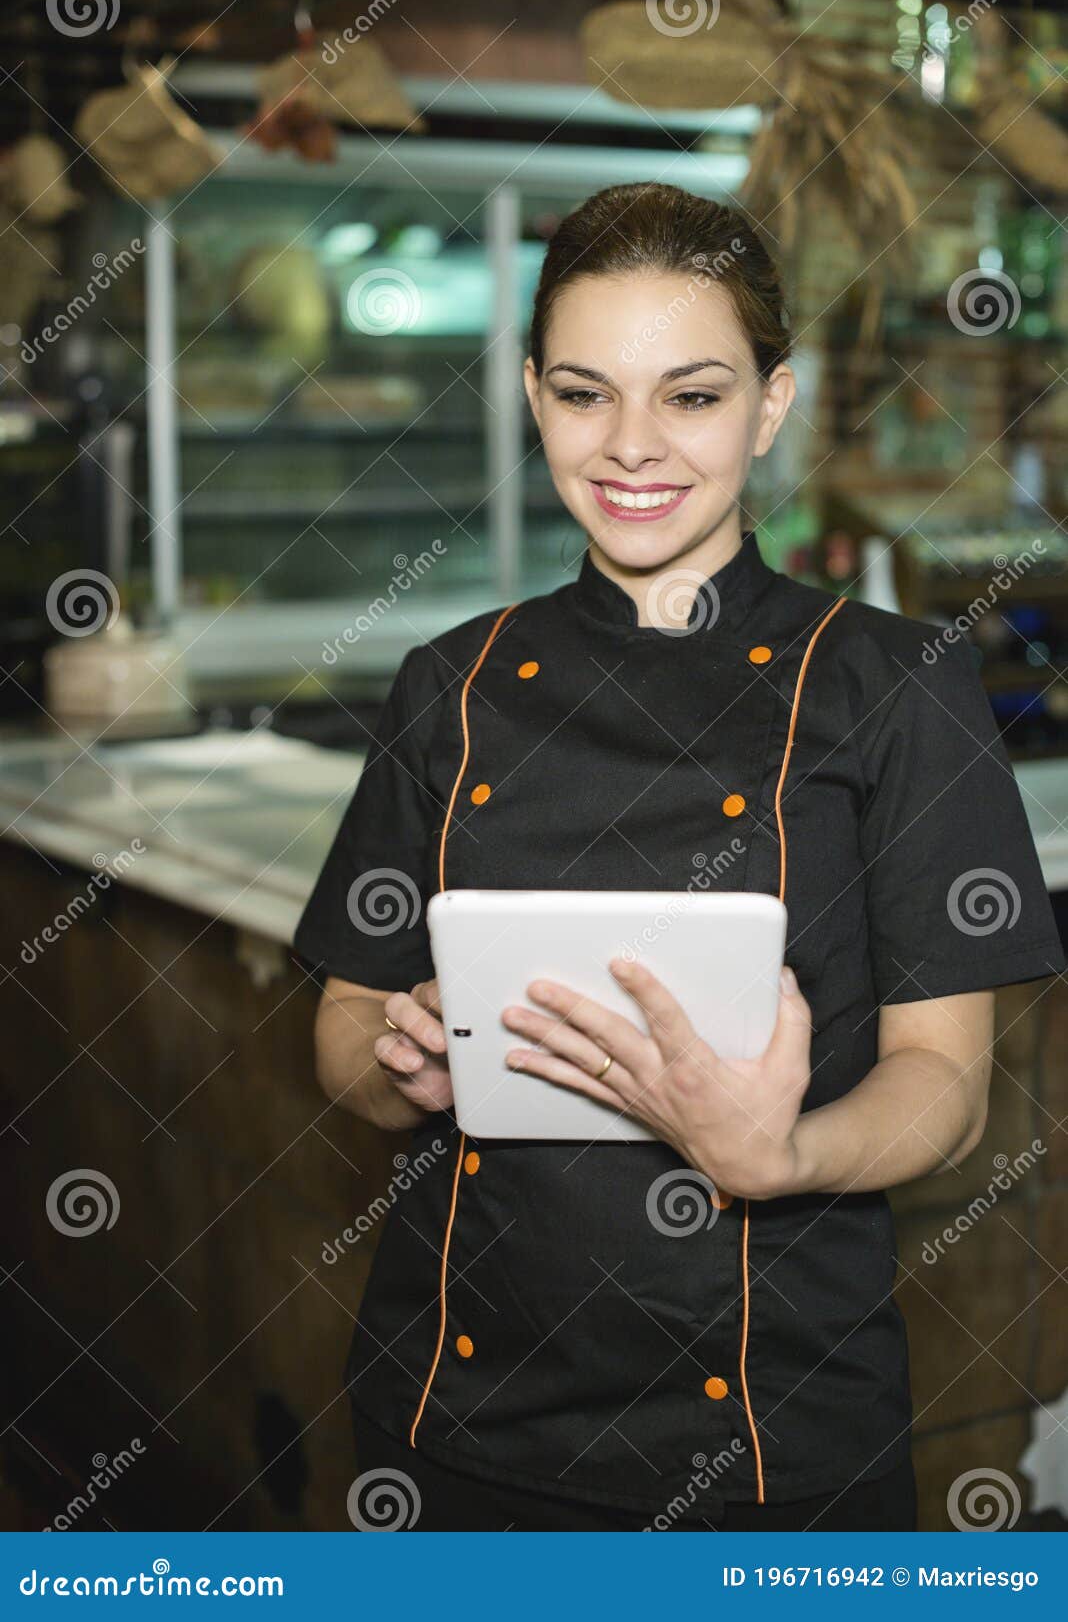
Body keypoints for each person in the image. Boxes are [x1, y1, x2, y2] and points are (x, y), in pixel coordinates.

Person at [293, 182, 1064, 1532]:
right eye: (586, 394)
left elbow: (945, 1081)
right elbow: (345, 1027)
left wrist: (787, 1154)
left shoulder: (890, 686)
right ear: (535, 400)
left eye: (692, 396)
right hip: (455, 1418)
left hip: (774, 1440)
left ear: (771, 405)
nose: (632, 445)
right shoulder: (450, 683)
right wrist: (395, 1063)